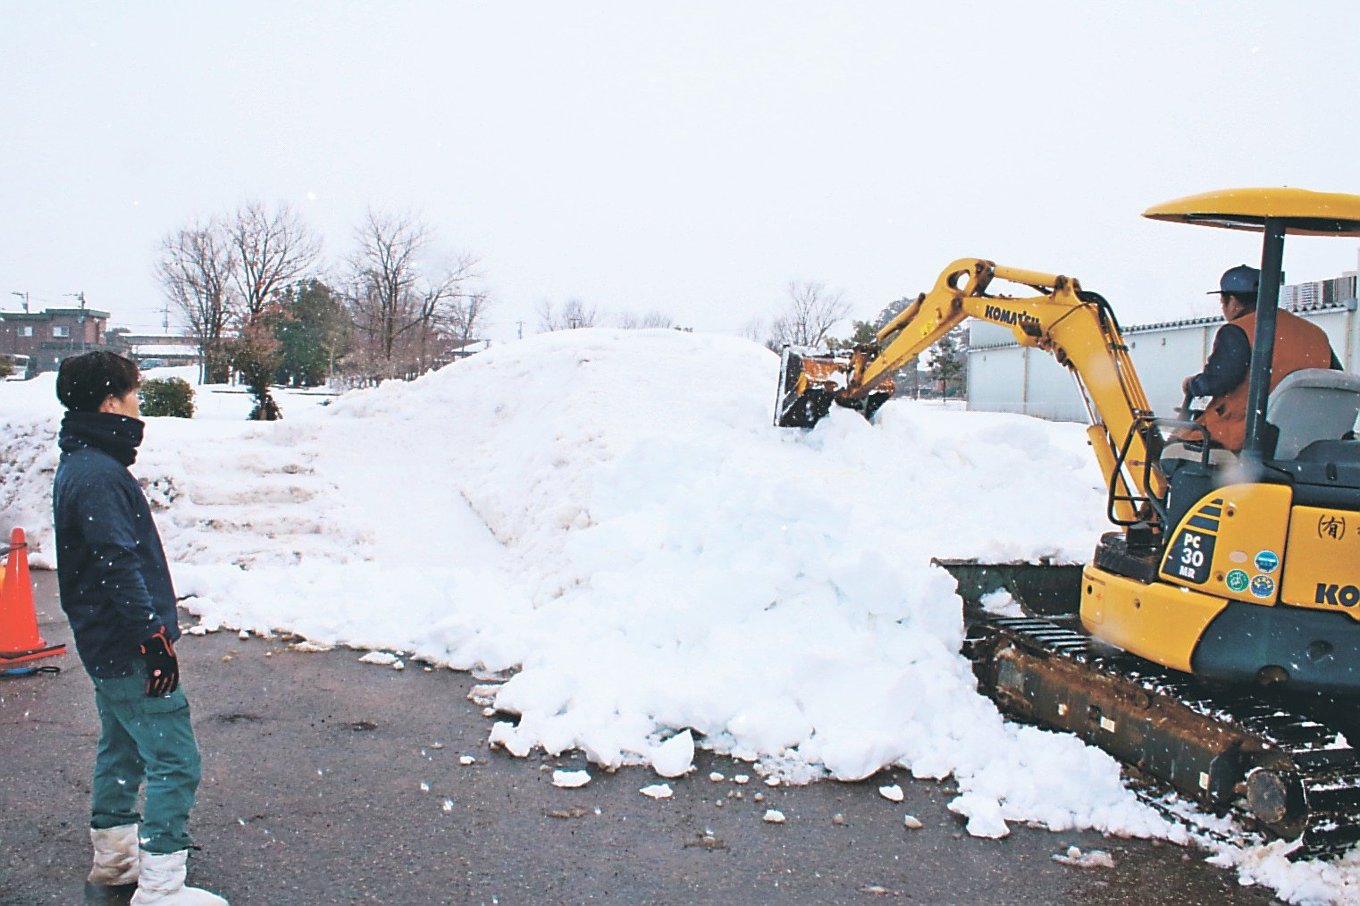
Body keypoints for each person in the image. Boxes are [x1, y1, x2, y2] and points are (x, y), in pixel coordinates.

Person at [52, 351, 227, 905]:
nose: (137, 407)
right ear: (110, 404)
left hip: (105, 642)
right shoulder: (99, 474)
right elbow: (116, 562)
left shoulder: (84, 463)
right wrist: (152, 638)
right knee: (176, 760)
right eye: (133, 396)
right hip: (126, 643)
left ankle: (116, 862)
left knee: (123, 746)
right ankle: (161, 888)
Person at [1181, 264, 1340, 453]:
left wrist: (1193, 385)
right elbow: (1336, 381)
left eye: (1222, 301)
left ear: (1232, 301)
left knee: (1171, 453)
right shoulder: (1315, 334)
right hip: (1303, 440)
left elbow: (1220, 380)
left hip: (1244, 436)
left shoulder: (1238, 331)